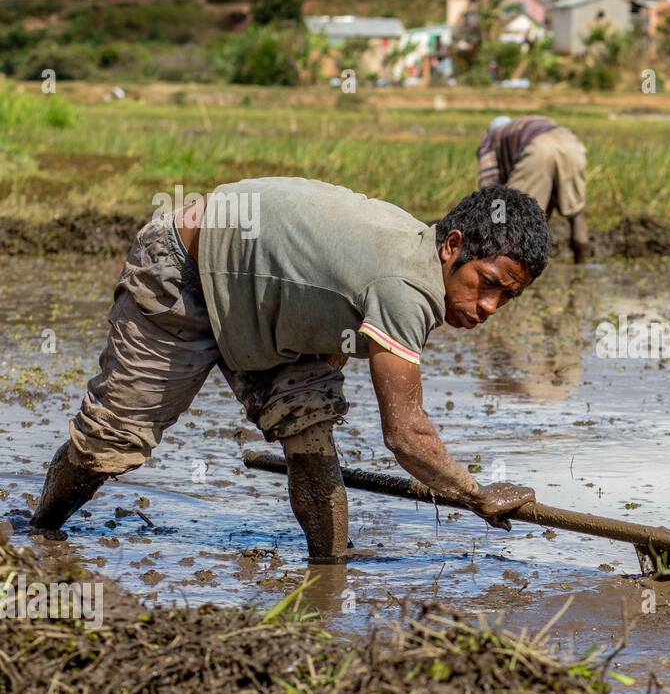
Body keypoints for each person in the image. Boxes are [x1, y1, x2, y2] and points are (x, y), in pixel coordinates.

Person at [27, 178, 549, 563]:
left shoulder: (416, 256)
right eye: (487, 282)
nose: (488, 306)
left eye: (508, 295)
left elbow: (331, 292)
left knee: (309, 431)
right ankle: (37, 537)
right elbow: (407, 435)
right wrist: (476, 496)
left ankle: (328, 570)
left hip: (262, 302)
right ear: (452, 246)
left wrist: (322, 361)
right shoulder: (408, 287)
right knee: (111, 440)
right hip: (185, 268)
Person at [477, 115, 590, 262]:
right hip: (571, 145)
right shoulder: (527, 124)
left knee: (517, 215)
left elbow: (490, 191)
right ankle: (582, 264)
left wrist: (495, 225)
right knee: (576, 213)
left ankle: (510, 265)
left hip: (539, 147)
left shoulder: (491, 138)